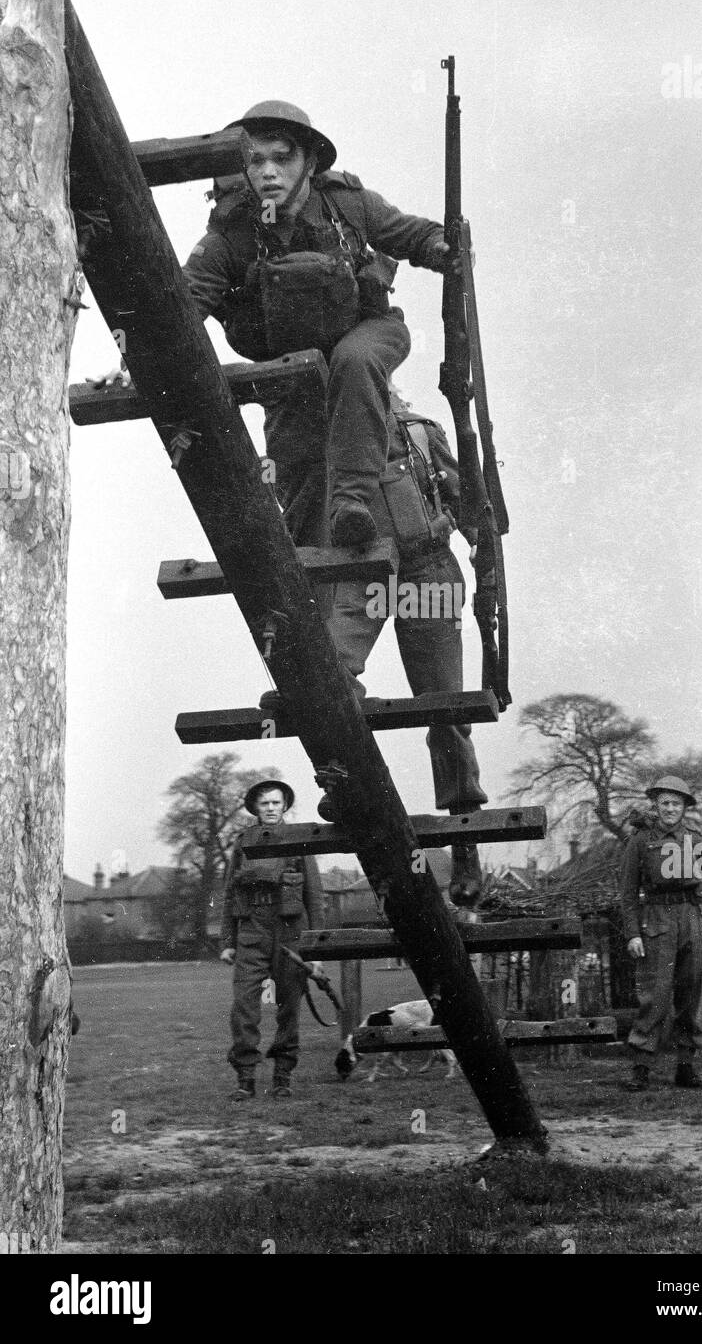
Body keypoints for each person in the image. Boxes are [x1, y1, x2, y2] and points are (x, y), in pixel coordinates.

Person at [182, 100, 457, 551]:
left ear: (309, 163)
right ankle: (314, 575)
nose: (269, 171)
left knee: (355, 359)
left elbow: (410, 233)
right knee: (299, 479)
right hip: (290, 371)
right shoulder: (230, 236)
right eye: (255, 160)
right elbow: (188, 299)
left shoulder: (347, 204)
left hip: (367, 331)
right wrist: (139, 358)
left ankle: (352, 503)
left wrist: (441, 247)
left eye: (283, 157)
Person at [323, 387, 488, 909]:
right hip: (361, 566)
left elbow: (470, 504)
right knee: (329, 677)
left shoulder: (421, 431)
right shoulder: (329, 431)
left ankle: (464, 842)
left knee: (447, 711)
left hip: (427, 568)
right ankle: (342, 783)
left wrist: (483, 549)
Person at [220, 777, 326, 1099]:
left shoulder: (298, 840)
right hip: (252, 930)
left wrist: (317, 948)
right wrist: (227, 941)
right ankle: (246, 1079)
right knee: (244, 1008)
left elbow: (314, 894)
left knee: (289, 1007)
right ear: (255, 807)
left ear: (284, 806)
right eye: (264, 803)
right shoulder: (243, 842)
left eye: (275, 803)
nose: (269, 808)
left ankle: (282, 1077)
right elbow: (228, 893)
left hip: (289, 932)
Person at [620, 775, 702, 1091]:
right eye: (664, 802)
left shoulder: (698, 839)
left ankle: (685, 1067)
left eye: (675, 803)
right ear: (656, 805)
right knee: (655, 994)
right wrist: (632, 934)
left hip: (694, 919)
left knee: (692, 994)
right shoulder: (640, 840)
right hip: (657, 920)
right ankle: (640, 1068)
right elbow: (627, 891)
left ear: (685, 808)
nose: (669, 808)